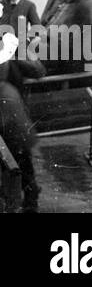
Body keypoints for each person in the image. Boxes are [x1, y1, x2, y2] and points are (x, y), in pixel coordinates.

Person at [0, 30, 44, 212]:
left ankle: (22, 200)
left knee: (15, 164)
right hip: (17, 117)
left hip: (9, 119)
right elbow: (39, 71)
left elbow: (39, 71)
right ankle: (29, 199)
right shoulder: (14, 61)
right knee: (23, 162)